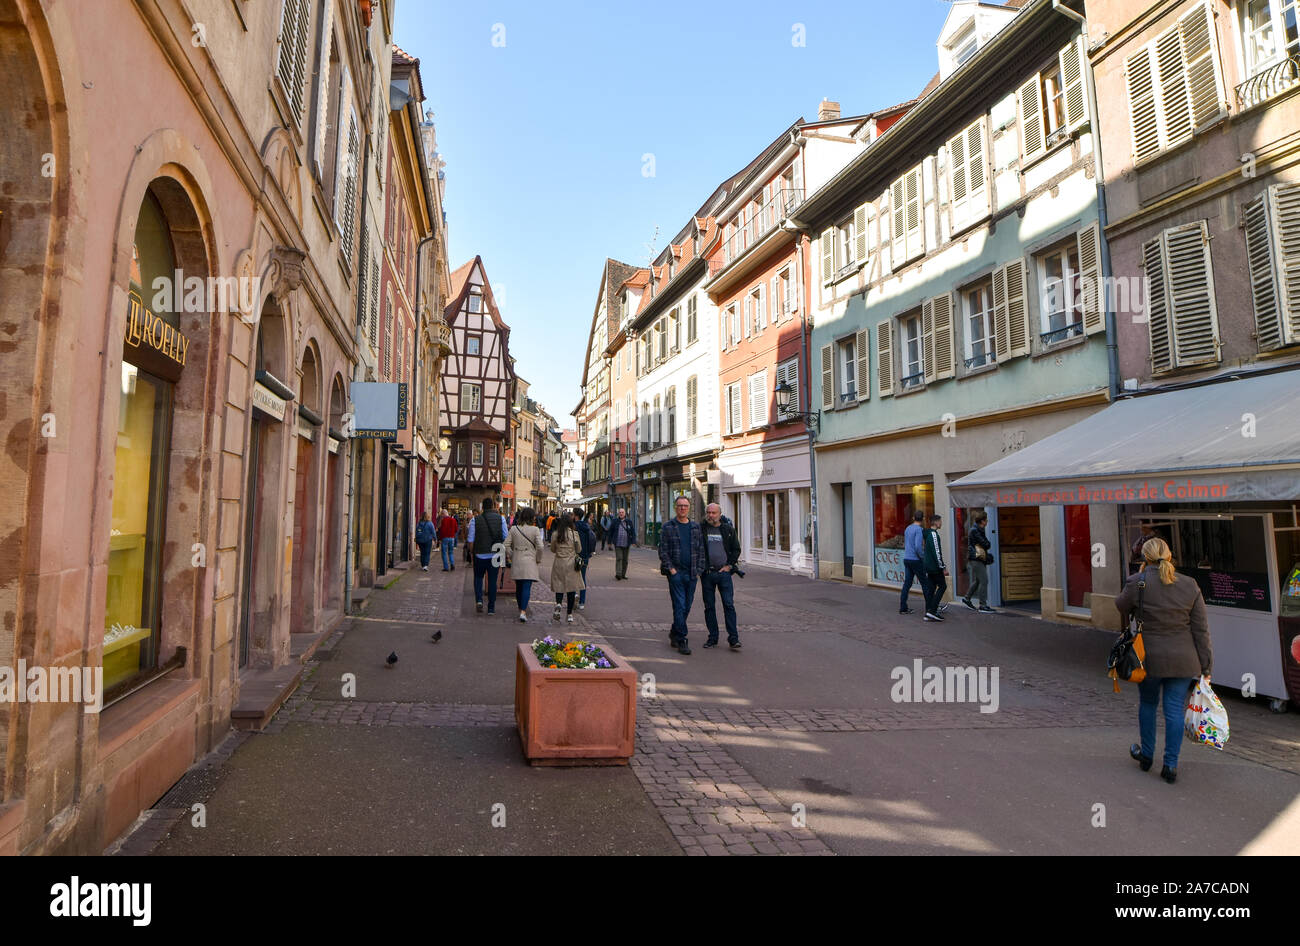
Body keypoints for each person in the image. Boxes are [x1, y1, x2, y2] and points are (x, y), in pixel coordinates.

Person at [1116, 537, 1213, 784]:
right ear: (1169, 556)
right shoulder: (1190, 585)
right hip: (1184, 659)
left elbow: (1120, 606)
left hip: (1148, 658)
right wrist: (1206, 666)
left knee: (1148, 704)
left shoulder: (1137, 582)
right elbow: (1201, 630)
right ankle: (1171, 765)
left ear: (1144, 558)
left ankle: (1146, 755)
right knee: (1173, 709)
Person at [658, 496, 704, 655]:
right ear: (675, 507)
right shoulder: (668, 527)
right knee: (679, 605)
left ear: (689, 508)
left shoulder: (695, 527)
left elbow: (701, 550)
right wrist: (671, 570)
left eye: (685, 506)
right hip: (676, 574)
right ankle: (682, 639)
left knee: (687, 606)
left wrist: (699, 570)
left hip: (691, 573)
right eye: (679, 506)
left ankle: (674, 632)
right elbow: (663, 551)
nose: (682, 508)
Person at [700, 503, 742, 649]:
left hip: (723, 574)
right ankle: (713, 637)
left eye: (714, 513)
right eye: (709, 512)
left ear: (719, 514)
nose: (711, 515)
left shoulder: (728, 529)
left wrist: (729, 565)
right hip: (707, 574)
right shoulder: (701, 529)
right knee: (709, 606)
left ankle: (733, 638)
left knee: (729, 605)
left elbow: (736, 549)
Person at [503, 506, 544, 623]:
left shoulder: (514, 529)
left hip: (517, 560)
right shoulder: (535, 530)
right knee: (526, 586)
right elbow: (540, 546)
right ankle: (523, 611)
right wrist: (538, 558)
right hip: (530, 560)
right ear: (532, 518)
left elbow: (505, 545)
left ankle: (520, 608)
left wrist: (512, 555)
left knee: (519, 587)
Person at [468, 498, 506, 614]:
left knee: (478, 578)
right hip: (495, 555)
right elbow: (505, 536)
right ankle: (491, 607)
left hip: (480, 554)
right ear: (493, 507)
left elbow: (470, 540)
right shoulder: (501, 519)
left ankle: (479, 600)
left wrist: (471, 552)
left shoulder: (475, 520)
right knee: (492, 581)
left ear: (482, 507)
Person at [549, 512, 585, 623]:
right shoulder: (574, 534)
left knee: (559, 585)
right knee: (571, 589)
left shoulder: (555, 534)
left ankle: (559, 604)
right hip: (571, 565)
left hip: (559, 562)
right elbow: (579, 549)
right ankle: (569, 614)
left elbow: (553, 549)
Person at [962, 512, 996, 613]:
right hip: (976, 558)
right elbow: (986, 544)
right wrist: (986, 543)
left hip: (978, 558)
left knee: (978, 580)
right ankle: (983, 605)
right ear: (982, 521)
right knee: (984, 580)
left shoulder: (978, 529)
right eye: (986, 520)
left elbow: (985, 544)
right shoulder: (975, 530)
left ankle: (967, 598)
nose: (987, 522)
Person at [899, 509, 930, 616]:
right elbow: (917, 546)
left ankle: (903, 607)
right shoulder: (919, 530)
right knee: (925, 584)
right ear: (923, 519)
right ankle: (929, 609)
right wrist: (922, 557)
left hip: (907, 559)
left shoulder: (908, 528)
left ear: (913, 518)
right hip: (915, 560)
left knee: (907, 584)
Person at [922, 513, 949, 622]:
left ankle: (928, 611)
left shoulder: (928, 534)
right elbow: (937, 552)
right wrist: (943, 567)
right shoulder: (933, 535)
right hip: (934, 567)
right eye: (940, 521)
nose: (941, 523)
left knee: (931, 588)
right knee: (942, 586)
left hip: (929, 566)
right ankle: (932, 611)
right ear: (936, 522)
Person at [574, 509, 596, 610]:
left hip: (575, 555)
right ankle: (582, 602)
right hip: (585, 555)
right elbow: (591, 540)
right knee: (582, 578)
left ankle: (574, 594)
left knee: (573, 576)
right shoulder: (587, 526)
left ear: (575, 516)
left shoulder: (574, 527)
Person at [610, 507, 638, 580]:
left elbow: (633, 532)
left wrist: (633, 541)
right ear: (618, 514)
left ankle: (623, 574)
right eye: (620, 512)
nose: (621, 513)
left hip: (626, 544)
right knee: (619, 558)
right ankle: (618, 574)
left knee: (625, 560)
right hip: (618, 543)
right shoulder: (615, 521)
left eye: (622, 512)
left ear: (625, 513)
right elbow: (611, 532)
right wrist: (609, 542)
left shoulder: (629, 522)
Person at [437, 507, 458, 571]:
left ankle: (446, 567)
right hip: (452, 538)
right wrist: (452, 534)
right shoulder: (453, 520)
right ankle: (452, 564)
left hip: (445, 538)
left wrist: (440, 538)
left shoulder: (444, 520)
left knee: (444, 553)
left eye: (442, 515)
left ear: (443, 514)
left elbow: (442, 530)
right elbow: (456, 529)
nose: (441, 516)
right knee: (451, 552)